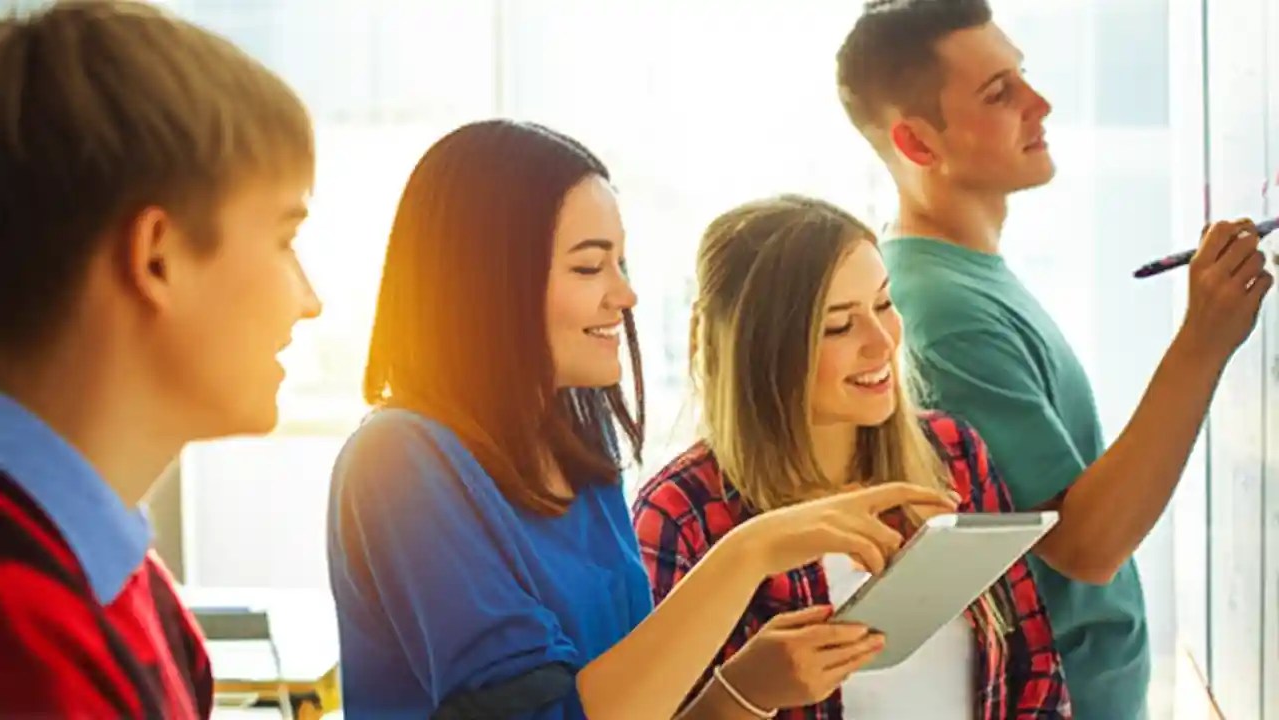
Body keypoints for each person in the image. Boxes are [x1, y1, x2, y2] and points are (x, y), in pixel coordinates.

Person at [324, 120, 959, 719]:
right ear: (485, 280)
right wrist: (748, 552)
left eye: (621, 264)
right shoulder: (398, 462)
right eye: (588, 266)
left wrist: (743, 689)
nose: (624, 295)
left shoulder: (580, 443)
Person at [834, 1, 1274, 717]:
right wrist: (1203, 341)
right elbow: (1085, 546)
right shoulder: (942, 312)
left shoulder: (964, 276)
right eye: (998, 93)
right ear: (916, 142)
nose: (1040, 103)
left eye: (1023, 76)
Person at [0, 1, 322, 716]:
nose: (310, 300)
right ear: (157, 258)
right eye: (285, 240)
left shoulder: (123, 582)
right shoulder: (23, 630)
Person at [634, 194, 1070, 719]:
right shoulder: (680, 514)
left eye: (884, 304)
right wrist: (745, 695)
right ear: (759, 351)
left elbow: (1036, 669)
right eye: (840, 325)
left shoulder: (955, 453)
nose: (882, 342)